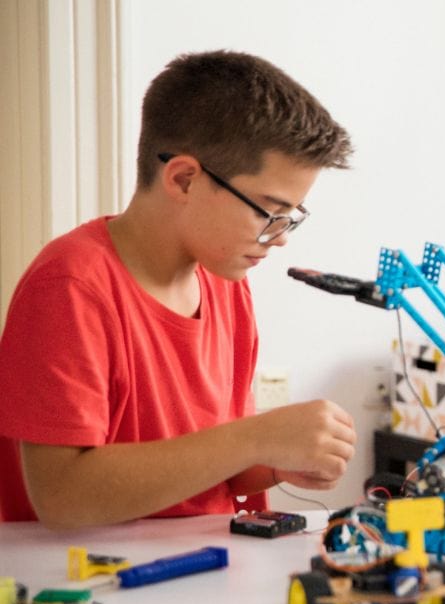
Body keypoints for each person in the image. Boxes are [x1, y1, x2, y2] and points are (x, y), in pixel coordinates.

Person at [0, 51, 357, 528]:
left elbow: (208, 465)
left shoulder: (225, 283)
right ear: (184, 179)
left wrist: (275, 458)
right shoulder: (71, 288)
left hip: (200, 568)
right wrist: (256, 437)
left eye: (291, 216)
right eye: (269, 212)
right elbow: (63, 498)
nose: (281, 236)